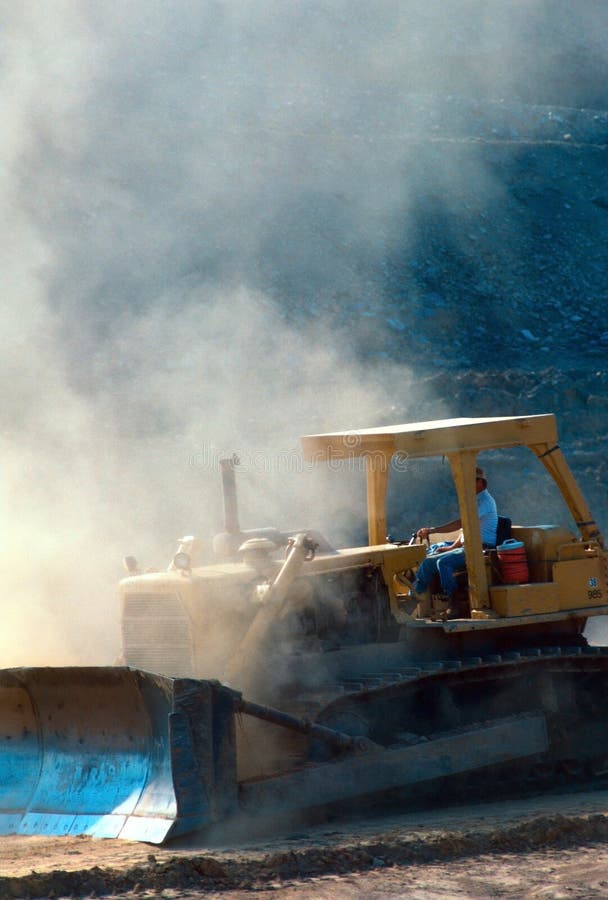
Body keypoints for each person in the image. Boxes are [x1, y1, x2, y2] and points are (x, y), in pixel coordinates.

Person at [408, 467, 498, 610]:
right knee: (430, 556)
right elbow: (466, 532)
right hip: (469, 544)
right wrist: (451, 547)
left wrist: (433, 531)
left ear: (480, 482)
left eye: (469, 481)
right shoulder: (474, 501)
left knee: (443, 562)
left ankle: (453, 601)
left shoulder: (485, 501)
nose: (465, 485)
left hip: (481, 547)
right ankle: (414, 597)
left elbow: (462, 523)